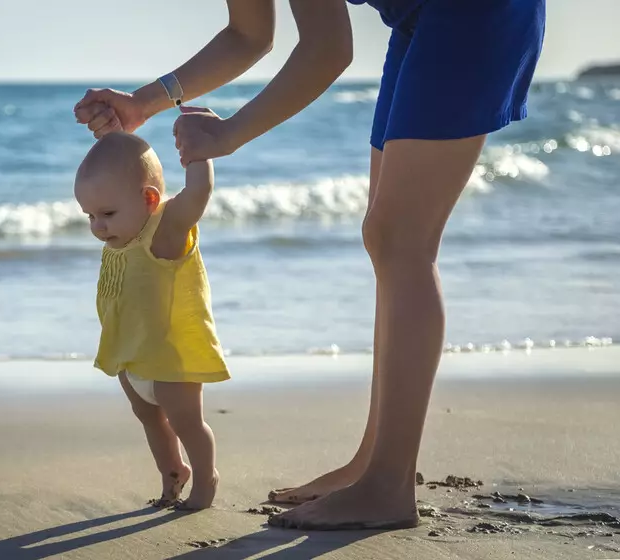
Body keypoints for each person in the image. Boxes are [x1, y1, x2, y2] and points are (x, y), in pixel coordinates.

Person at [74, 0, 546, 530]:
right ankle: (374, 464)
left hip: (471, 11)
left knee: (399, 240)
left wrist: (228, 134)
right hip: (418, 18)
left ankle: (387, 485)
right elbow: (250, 33)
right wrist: (143, 103)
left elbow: (329, 50)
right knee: (387, 240)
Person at [74, 131, 230, 510]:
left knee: (186, 424)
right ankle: (172, 471)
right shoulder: (120, 240)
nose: (98, 226)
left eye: (107, 214)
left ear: (149, 199)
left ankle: (206, 478)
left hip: (171, 360)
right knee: (149, 418)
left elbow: (196, 197)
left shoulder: (163, 233)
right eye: (90, 216)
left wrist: (199, 155)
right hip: (131, 358)